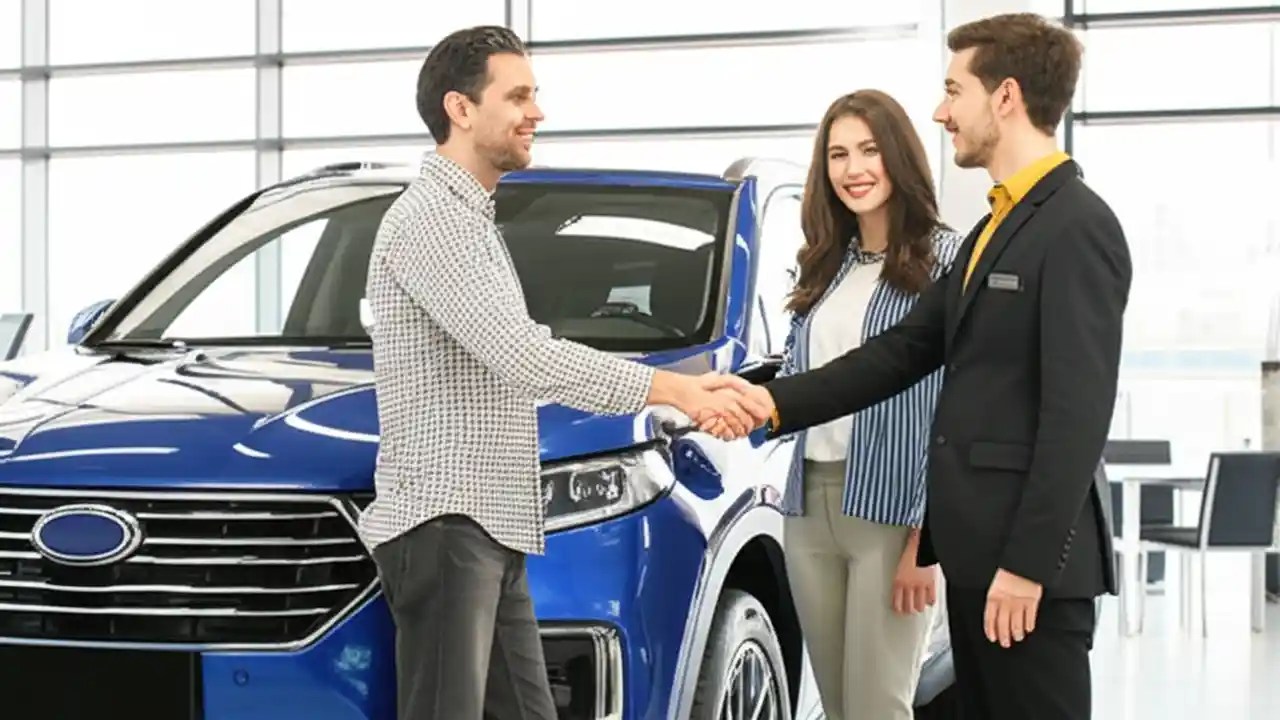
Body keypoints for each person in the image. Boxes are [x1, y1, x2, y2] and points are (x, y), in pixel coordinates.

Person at [711, 13, 1129, 720]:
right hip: (976, 558)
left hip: (1025, 571)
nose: (941, 112)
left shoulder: (1076, 226)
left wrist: (1025, 568)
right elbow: (898, 354)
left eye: (952, 90)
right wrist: (770, 404)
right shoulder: (996, 228)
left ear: (1005, 96)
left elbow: (1077, 417)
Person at [356, 26, 763, 720]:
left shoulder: (472, 218)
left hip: (492, 522)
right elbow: (522, 353)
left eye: (534, 95)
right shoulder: (431, 221)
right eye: (517, 96)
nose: (536, 112)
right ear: (460, 108)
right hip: (447, 521)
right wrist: (678, 389)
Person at [773, 89, 961, 720]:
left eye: (869, 150)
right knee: (837, 706)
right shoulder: (824, 267)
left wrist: (924, 541)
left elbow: (957, 409)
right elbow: (803, 380)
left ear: (899, 157)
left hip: (892, 514)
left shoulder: (949, 261)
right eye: (837, 154)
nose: (853, 169)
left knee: (879, 708)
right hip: (808, 508)